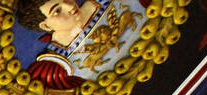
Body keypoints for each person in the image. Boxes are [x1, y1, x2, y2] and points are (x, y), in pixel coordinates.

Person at [14, 0, 148, 89]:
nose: (70, 6)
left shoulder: (104, 2)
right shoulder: (57, 63)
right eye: (57, 11)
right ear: (46, 26)